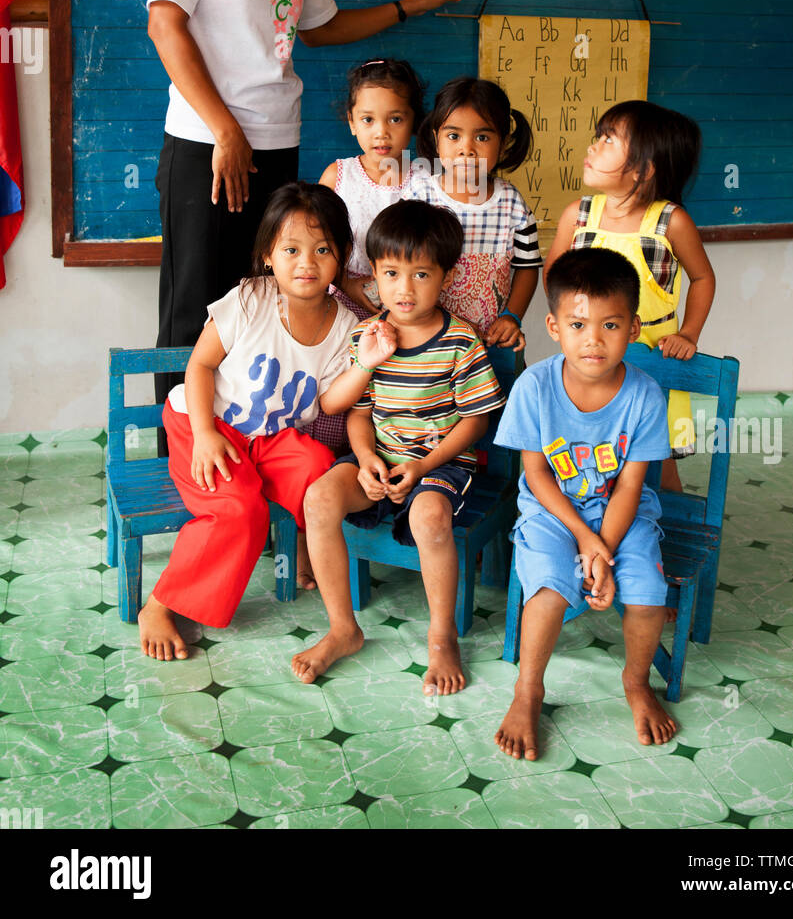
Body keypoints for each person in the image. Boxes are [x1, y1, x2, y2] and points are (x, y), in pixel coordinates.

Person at [146, 0, 463, 441]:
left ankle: (255, 451)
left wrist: (410, 7)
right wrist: (225, 129)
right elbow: (165, 25)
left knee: (266, 298)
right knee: (195, 306)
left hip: (274, 143)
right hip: (206, 146)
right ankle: (188, 454)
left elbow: (317, 26)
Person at [137, 182, 398, 661]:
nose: (307, 262)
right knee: (239, 510)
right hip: (206, 425)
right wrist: (204, 435)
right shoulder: (250, 300)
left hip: (272, 441)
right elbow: (199, 367)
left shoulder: (345, 323)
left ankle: (300, 538)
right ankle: (161, 603)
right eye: (292, 249)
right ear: (267, 256)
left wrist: (366, 362)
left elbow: (332, 402)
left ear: (341, 257)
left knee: (318, 464)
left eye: (323, 250)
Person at [292, 200, 504, 695]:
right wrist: (365, 459)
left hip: (442, 462)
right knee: (319, 498)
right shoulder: (369, 335)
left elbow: (476, 421)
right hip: (380, 459)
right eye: (390, 273)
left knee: (428, 518)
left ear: (446, 276)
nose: (403, 289)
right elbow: (359, 413)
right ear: (374, 276)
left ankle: (441, 636)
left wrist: (424, 464)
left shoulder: (461, 341)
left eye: (420, 275)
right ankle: (343, 628)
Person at [494, 248, 676, 761]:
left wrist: (606, 547)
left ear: (634, 328)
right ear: (553, 326)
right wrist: (586, 540)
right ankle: (529, 691)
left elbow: (630, 488)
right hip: (553, 513)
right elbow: (537, 475)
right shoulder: (534, 386)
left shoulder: (644, 395)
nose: (593, 339)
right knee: (549, 592)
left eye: (610, 324)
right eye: (577, 324)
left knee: (648, 595)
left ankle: (637, 682)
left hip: (622, 514)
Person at [544, 100, 715, 492]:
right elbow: (554, 274)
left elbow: (703, 278)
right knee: (596, 443)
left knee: (659, 454)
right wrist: (570, 322)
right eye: (597, 137)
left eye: (607, 140)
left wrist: (689, 333)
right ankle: (599, 516)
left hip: (655, 355)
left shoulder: (671, 222)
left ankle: (666, 532)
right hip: (591, 350)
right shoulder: (578, 215)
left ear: (642, 168)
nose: (592, 146)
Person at [407, 77, 542, 370]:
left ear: (503, 143)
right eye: (454, 136)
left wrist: (512, 317)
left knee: (497, 411)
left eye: (482, 137)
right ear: (436, 137)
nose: (467, 148)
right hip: (429, 342)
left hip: (491, 343)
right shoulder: (419, 196)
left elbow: (528, 267)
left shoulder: (511, 203)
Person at [319, 57, 427, 319]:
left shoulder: (426, 181)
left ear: (413, 121)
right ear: (352, 122)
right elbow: (317, 242)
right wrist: (345, 282)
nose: (381, 132)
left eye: (396, 119)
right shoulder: (338, 176)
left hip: (407, 308)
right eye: (368, 119)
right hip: (341, 306)